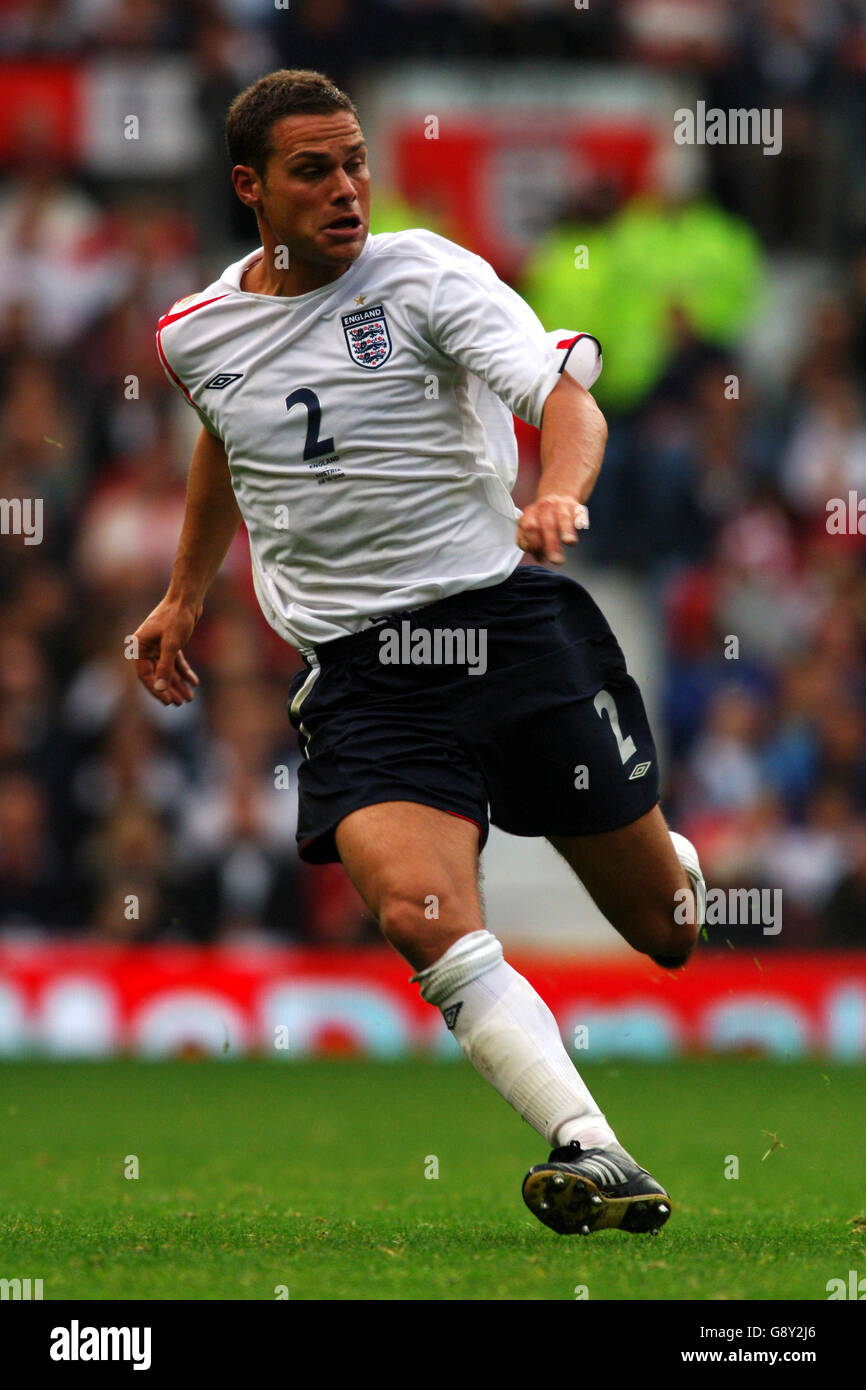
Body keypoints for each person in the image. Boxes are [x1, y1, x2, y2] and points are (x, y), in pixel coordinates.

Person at [135, 68, 706, 1237]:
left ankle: (667, 850)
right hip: (359, 673)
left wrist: (556, 494)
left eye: (353, 163)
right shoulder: (196, 333)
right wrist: (184, 594)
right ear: (250, 186)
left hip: (504, 627)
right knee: (416, 910)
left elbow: (564, 398)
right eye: (312, 170)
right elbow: (221, 439)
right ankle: (592, 1148)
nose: (345, 189)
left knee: (667, 933)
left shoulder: (427, 276)